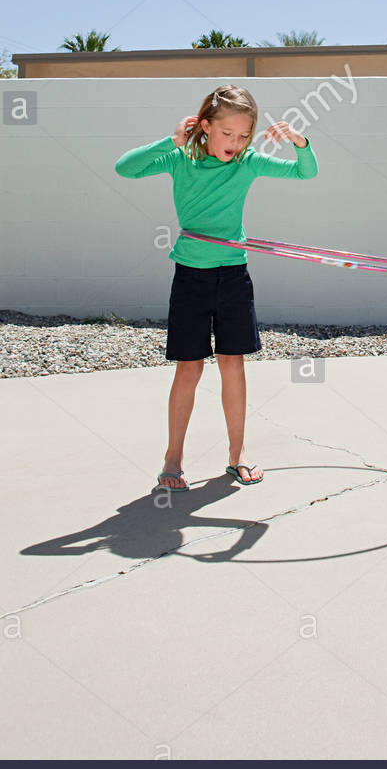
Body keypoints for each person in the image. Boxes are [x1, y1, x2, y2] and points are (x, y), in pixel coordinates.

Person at [115, 84, 318, 490]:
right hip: (191, 275)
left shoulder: (247, 163)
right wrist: (170, 140)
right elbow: (126, 167)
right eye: (228, 134)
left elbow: (304, 171)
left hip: (233, 275)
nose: (236, 143)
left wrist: (301, 141)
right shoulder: (181, 159)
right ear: (204, 126)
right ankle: (172, 460)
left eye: (244, 136)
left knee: (232, 363)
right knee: (189, 367)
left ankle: (237, 454)